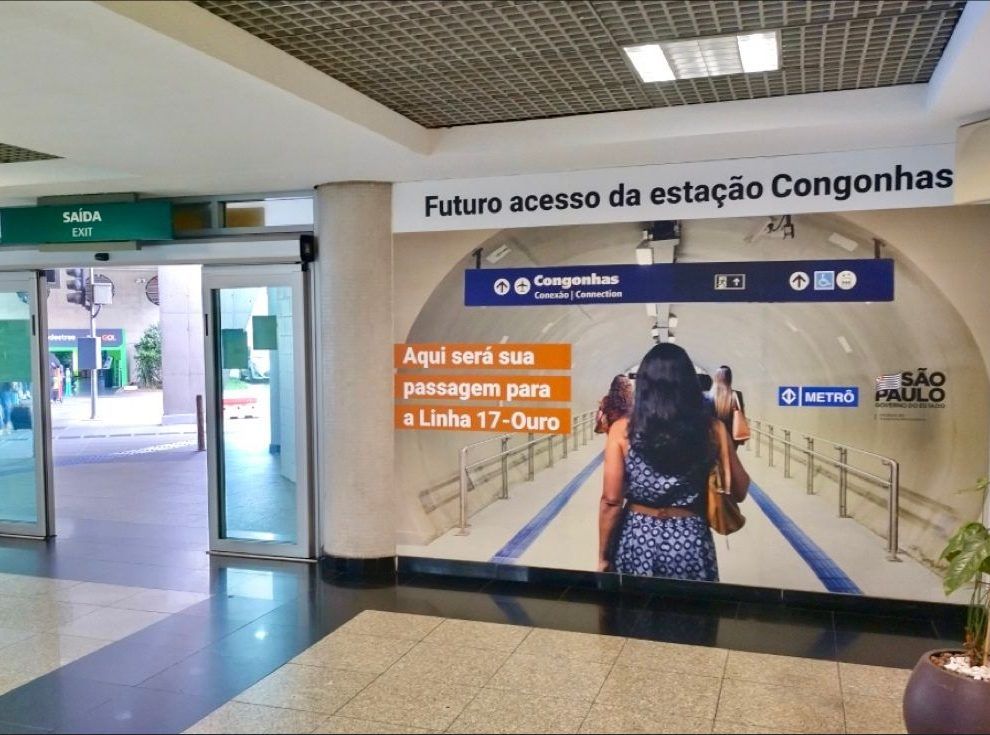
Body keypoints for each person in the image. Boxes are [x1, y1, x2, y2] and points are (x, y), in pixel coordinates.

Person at [598, 343, 749, 581]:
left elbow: (611, 500)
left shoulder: (622, 431)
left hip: (637, 537)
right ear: (690, 383)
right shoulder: (713, 429)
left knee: (635, 614)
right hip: (690, 539)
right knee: (690, 614)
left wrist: (604, 557)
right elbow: (739, 489)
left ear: (644, 385)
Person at [710, 365, 746, 448]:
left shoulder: (709, 396)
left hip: (713, 437)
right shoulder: (736, 395)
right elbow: (741, 415)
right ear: (730, 379)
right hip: (731, 438)